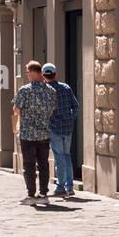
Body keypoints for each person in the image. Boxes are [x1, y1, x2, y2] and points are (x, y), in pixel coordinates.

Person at [12, 60, 57, 203]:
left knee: (29, 165)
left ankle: (31, 195)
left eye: (27, 72)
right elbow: (52, 110)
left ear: (33, 72)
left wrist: (17, 124)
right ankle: (43, 194)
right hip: (44, 133)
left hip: (28, 135)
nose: (27, 75)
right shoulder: (51, 91)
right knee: (44, 164)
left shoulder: (25, 90)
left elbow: (16, 109)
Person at [43, 63, 80, 198]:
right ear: (55, 74)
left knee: (59, 157)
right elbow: (75, 106)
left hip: (55, 128)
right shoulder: (66, 87)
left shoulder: (45, 90)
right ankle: (69, 187)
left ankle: (61, 187)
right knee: (66, 155)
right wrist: (70, 119)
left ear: (43, 75)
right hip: (67, 128)